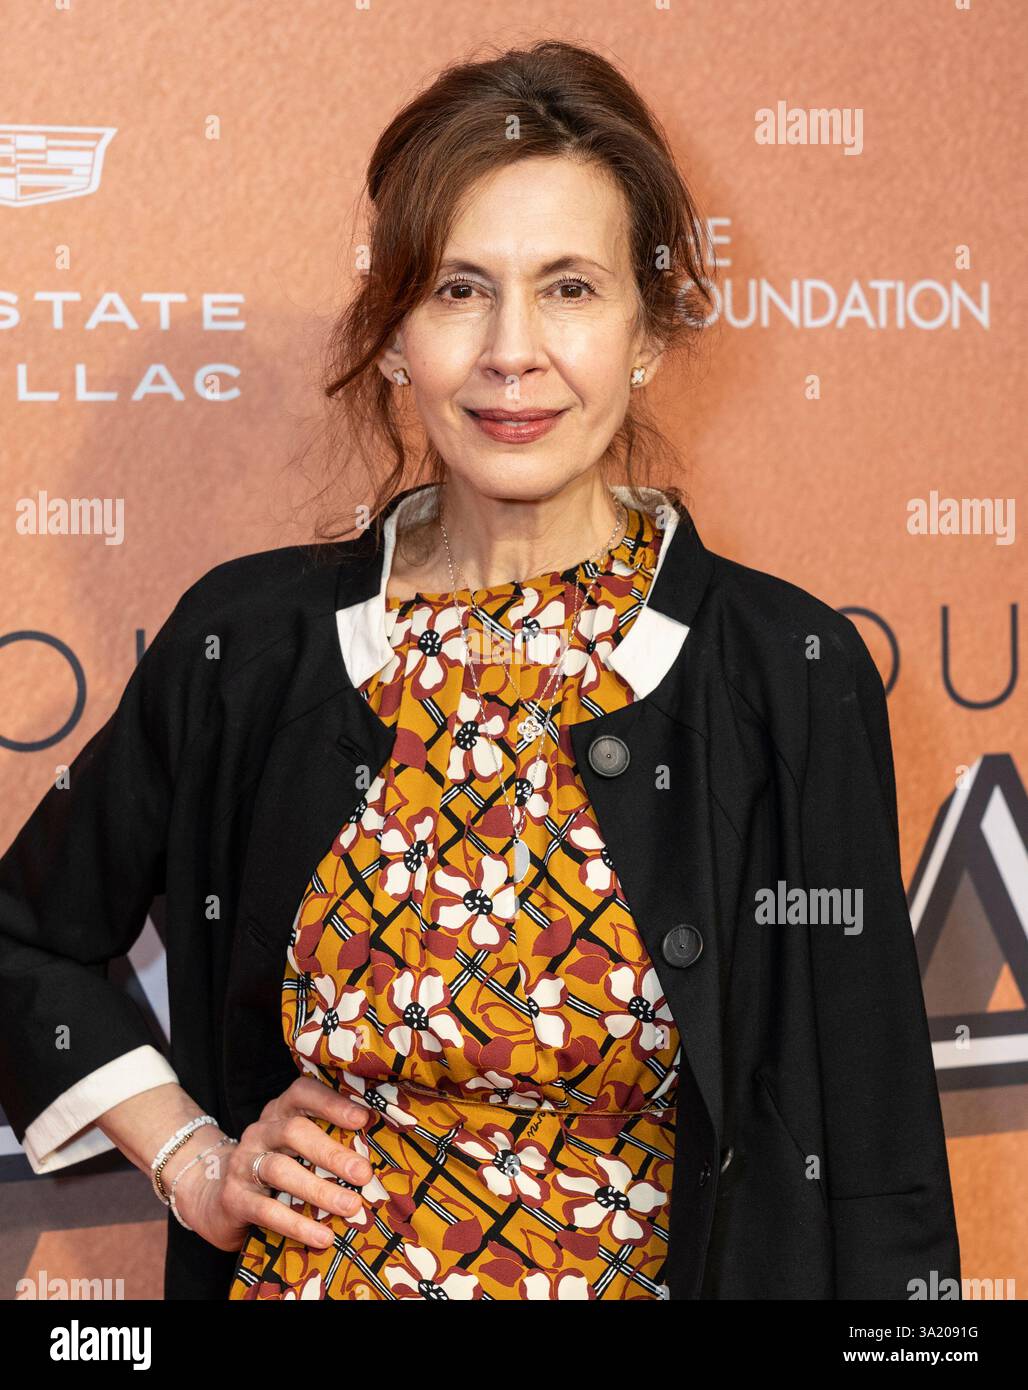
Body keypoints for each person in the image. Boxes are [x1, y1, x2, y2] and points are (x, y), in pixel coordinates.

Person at [0, 39, 960, 1301]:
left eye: (569, 289)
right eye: (458, 290)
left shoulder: (782, 671)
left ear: (650, 331)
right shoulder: (250, 643)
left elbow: (876, 1140)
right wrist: (191, 1158)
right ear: (392, 332)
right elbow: (25, 942)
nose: (512, 352)